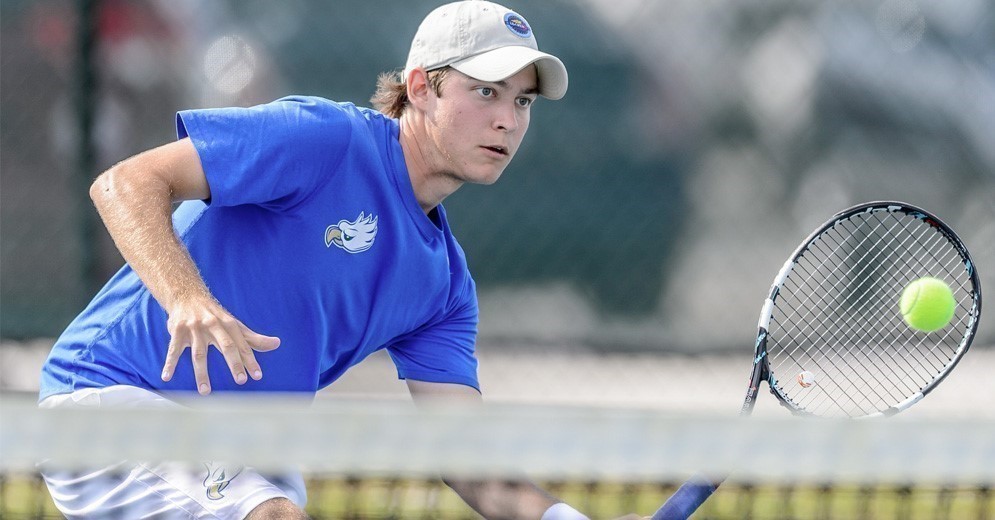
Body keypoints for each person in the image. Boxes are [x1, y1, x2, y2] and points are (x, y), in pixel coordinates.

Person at [35, 1, 624, 519]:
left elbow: (465, 457)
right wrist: (186, 297)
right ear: (421, 88)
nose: (508, 119)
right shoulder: (323, 138)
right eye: (486, 91)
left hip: (247, 451)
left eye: (522, 101)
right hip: (108, 401)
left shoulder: (443, 286)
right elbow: (123, 184)